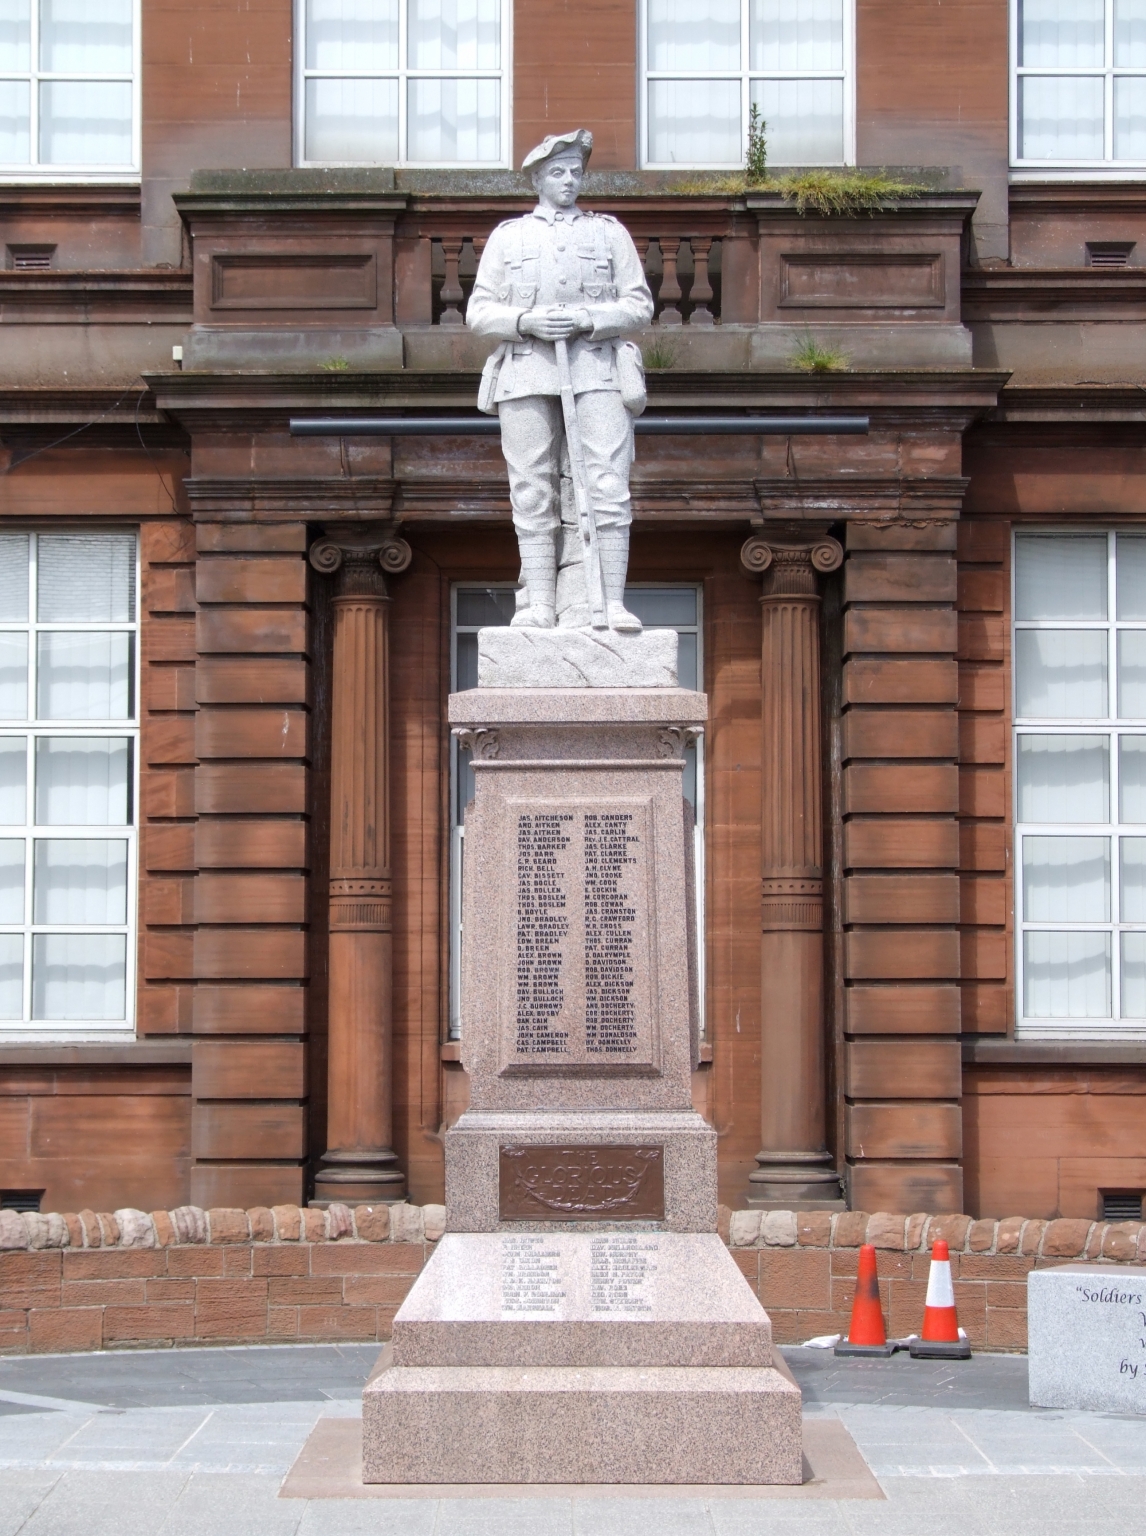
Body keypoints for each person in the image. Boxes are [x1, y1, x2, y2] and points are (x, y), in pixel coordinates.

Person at [467, 128, 654, 631]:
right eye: (558, 172)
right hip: (526, 372)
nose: (569, 180)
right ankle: (541, 605)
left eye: (576, 171)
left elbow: (639, 304)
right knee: (531, 489)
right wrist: (526, 322)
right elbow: (479, 310)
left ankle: (608, 600)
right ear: (538, 179)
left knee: (608, 483)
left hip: (597, 369)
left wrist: (590, 320)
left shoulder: (609, 232)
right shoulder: (510, 237)